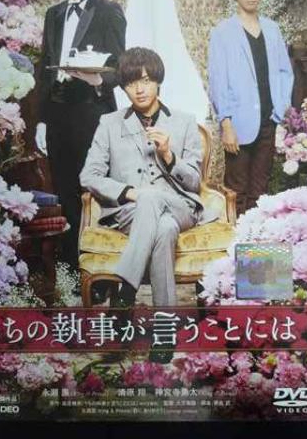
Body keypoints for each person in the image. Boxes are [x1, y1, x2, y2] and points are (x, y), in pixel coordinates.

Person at [80, 47, 211, 318]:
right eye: (131, 83)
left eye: (146, 81)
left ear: (158, 81)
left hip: (180, 206)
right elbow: (89, 176)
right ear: (123, 87)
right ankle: (165, 326)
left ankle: (126, 290)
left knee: (152, 198)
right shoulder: (109, 123)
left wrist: (169, 156)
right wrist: (129, 192)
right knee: (164, 228)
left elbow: (195, 182)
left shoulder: (184, 122)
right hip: (130, 211)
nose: (139, 90)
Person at [35, 0, 126, 274]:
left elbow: (120, 67)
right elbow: (44, 68)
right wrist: (42, 119)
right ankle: (74, 270)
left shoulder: (108, 10)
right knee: (65, 191)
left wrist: (98, 79)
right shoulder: (54, 14)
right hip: (58, 113)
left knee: (96, 190)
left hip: (91, 111)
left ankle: (102, 270)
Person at [207, 0, 294, 217]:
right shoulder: (222, 32)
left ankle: (256, 241)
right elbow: (218, 81)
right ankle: (235, 240)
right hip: (238, 124)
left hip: (269, 120)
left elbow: (285, 72)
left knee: (261, 190)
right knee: (237, 190)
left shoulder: (273, 29)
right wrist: (226, 124)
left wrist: (281, 110)